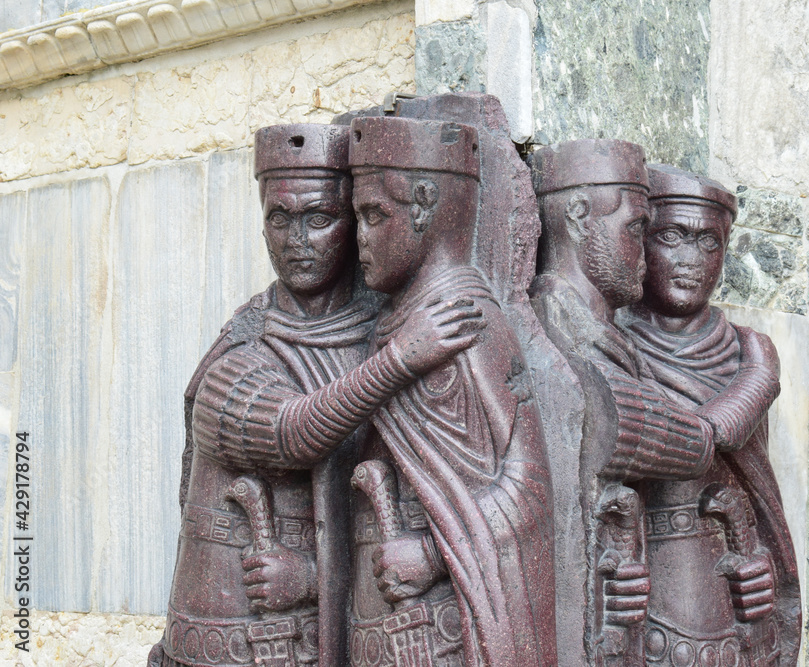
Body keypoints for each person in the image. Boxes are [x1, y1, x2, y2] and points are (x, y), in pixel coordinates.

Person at [149, 123, 481, 667]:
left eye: (319, 219)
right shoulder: (243, 351)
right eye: (279, 219)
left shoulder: (385, 328)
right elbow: (293, 432)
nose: (295, 240)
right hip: (232, 639)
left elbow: (461, 489)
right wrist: (400, 362)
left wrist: (314, 577)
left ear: (354, 225)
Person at [346, 115, 557, 667]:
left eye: (374, 216)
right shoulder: (401, 324)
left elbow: (531, 486)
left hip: (444, 622)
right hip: (388, 619)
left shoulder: (466, 322)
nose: (359, 239)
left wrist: (433, 553)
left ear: (424, 206)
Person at [529, 139, 717, 665]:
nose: (647, 250)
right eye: (636, 229)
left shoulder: (604, 336)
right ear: (580, 217)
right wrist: (752, 384)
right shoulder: (554, 329)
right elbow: (630, 431)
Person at [619, 164, 801, 666]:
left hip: (722, 594)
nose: (690, 260)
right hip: (646, 594)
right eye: (672, 236)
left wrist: (761, 566)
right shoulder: (611, 347)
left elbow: (756, 490)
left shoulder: (747, 350)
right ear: (639, 240)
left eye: (709, 242)